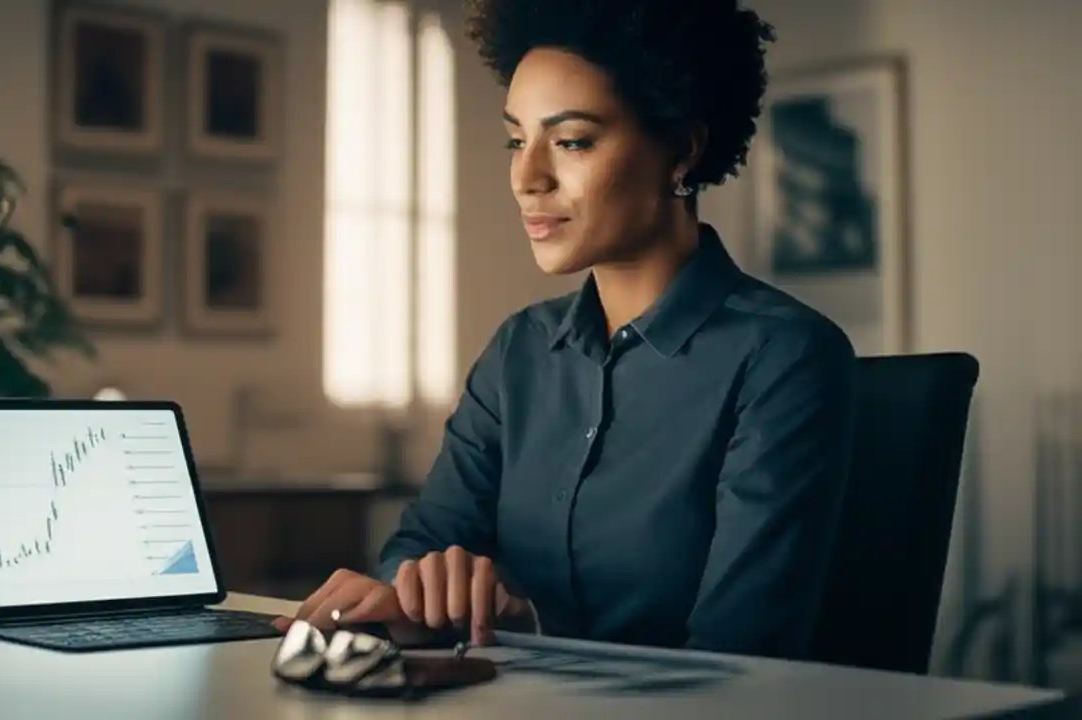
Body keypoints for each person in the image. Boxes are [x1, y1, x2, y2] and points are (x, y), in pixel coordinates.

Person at [276, 0, 856, 661]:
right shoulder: (519, 350)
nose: (527, 178)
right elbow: (422, 545)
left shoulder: (783, 356)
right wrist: (416, 595)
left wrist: (531, 631)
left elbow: (739, 653)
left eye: (572, 141)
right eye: (516, 141)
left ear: (682, 150)